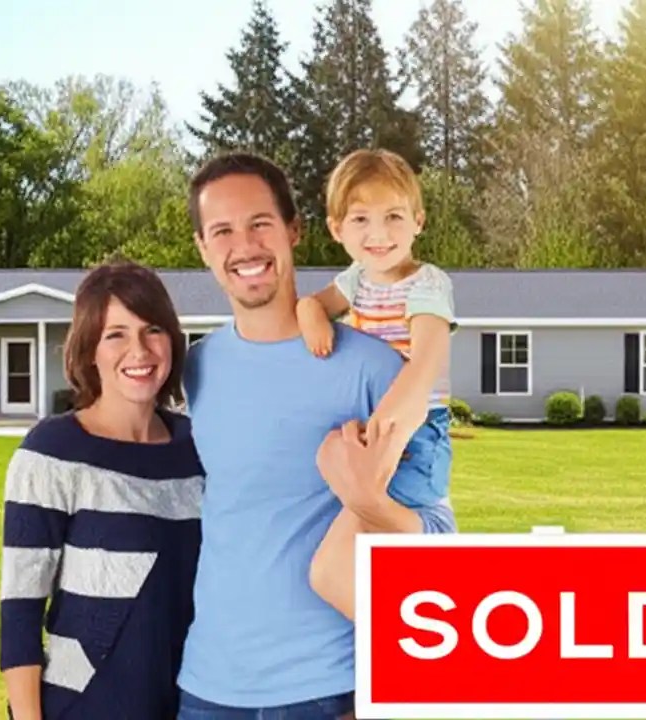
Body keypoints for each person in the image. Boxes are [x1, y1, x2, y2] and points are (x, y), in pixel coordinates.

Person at [175, 152, 456, 720]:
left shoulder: (378, 368)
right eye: (223, 231)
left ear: (294, 231)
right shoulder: (197, 370)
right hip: (207, 691)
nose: (245, 246)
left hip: (330, 694)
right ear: (203, 247)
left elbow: (438, 540)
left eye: (260, 224)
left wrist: (368, 502)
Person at [0, 261, 205, 720]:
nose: (139, 350)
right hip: (83, 705)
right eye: (116, 334)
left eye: (153, 330)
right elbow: (19, 615)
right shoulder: (52, 453)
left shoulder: (199, 448)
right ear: (89, 349)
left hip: (193, 702)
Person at [299, 147, 458, 620]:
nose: (379, 234)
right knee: (332, 569)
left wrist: (382, 436)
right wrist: (313, 318)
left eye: (393, 216)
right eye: (361, 219)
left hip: (414, 428)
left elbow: (424, 364)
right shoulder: (356, 281)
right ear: (337, 229)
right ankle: (402, 641)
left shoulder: (428, 283)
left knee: (332, 569)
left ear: (418, 221)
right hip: (374, 428)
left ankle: (431, 532)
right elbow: (312, 304)